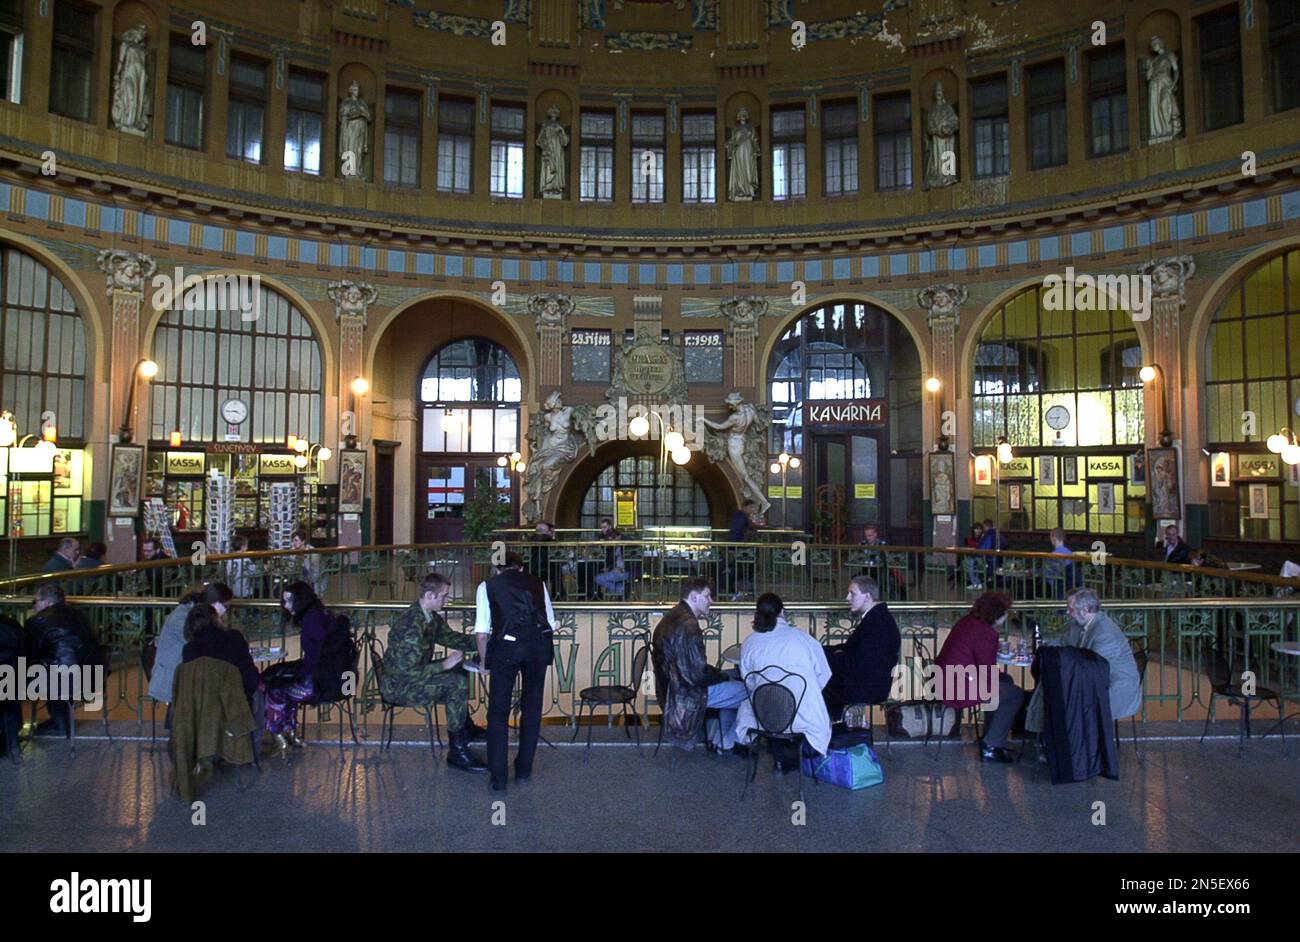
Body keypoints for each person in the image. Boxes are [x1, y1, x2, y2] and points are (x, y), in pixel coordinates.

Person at [385, 573, 486, 773]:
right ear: (430, 596)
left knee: (459, 668)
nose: (447, 601)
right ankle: (457, 751)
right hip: (400, 688)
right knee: (456, 683)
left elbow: (451, 638)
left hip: (412, 679)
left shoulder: (429, 618)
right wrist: (443, 666)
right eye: (444, 596)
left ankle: (465, 728)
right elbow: (406, 673)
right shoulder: (411, 627)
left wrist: (484, 641)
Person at [476, 553, 556, 792]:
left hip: (506, 649)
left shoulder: (488, 586)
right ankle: (523, 770)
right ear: (520, 568)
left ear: (496, 568)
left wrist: (483, 661)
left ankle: (498, 779)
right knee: (531, 708)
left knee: (498, 713)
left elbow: (482, 632)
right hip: (537, 649)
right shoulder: (538, 583)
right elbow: (550, 622)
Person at [1027, 588, 1143, 742]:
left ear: (1085, 610)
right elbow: (1063, 642)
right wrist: (1043, 648)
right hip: (1097, 682)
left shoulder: (1104, 633)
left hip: (1115, 688)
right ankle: (1056, 741)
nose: (1068, 612)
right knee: (1055, 691)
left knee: (1062, 697)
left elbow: (1096, 669)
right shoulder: (1079, 623)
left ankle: (1067, 744)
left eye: (1071, 608)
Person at [733, 593, 832, 772]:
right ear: (783, 612)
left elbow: (749, 680)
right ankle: (797, 754)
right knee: (805, 708)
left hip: (764, 717)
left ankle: (779, 759)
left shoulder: (750, 643)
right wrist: (805, 693)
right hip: (802, 717)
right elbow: (824, 675)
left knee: (769, 703)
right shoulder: (804, 640)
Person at [651, 577, 748, 755]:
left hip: (672, 690)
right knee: (749, 691)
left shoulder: (673, 617)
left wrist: (719, 674)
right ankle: (726, 741)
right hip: (688, 694)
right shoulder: (689, 626)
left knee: (733, 679)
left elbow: (690, 667)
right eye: (708, 596)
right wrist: (722, 676)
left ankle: (716, 735)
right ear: (694, 597)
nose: (711, 601)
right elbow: (697, 676)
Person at [933, 592, 1024, 763]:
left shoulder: (968, 622)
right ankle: (991, 746)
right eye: (1006, 613)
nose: (1007, 617)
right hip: (958, 686)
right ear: (996, 614)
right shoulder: (985, 633)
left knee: (1006, 681)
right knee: (1014, 694)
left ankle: (990, 736)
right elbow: (986, 668)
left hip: (945, 679)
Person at [821, 576, 901, 722]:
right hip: (867, 682)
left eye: (853, 593)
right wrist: (822, 652)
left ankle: (831, 732)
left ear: (867, 597)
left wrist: (835, 657)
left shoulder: (878, 624)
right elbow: (849, 649)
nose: (847, 598)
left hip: (868, 687)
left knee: (817, 686)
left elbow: (860, 665)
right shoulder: (876, 618)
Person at [263, 581, 331, 751]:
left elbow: (319, 653)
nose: (285, 606)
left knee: (273, 689)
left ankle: (279, 734)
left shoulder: (311, 622)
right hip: (324, 676)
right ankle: (290, 733)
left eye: (289, 601)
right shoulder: (320, 615)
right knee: (282, 682)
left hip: (315, 682)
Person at [24, 585, 97, 736]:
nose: (34, 605)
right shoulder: (80, 615)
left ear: (46, 602)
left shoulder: (39, 620)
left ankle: (59, 723)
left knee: (14, 675)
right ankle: (61, 719)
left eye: (35, 601)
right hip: (90, 677)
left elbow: (28, 651)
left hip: (61, 680)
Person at [149, 582, 236, 707]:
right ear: (216, 604)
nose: (226, 611)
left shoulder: (195, 613)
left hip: (186, 672)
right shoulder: (185, 616)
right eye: (225, 607)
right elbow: (205, 644)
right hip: (172, 678)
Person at [181, 600, 260, 708]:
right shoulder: (234, 638)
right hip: (237, 706)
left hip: (204, 710)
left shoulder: (189, 650)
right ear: (215, 619)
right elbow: (251, 678)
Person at [593, 517, 628, 599]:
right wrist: (610, 567)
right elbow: (612, 558)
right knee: (597, 574)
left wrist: (621, 568)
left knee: (598, 578)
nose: (603, 530)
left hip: (625, 571)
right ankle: (620, 590)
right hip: (617, 569)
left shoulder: (621, 540)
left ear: (610, 527)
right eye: (601, 528)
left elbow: (629, 560)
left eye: (604, 527)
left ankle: (620, 590)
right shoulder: (608, 540)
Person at [1045, 527, 1081, 596]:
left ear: (1053, 538)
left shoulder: (1053, 555)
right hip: (1073, 586)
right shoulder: (1070, 553)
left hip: (1059, 587)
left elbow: (1048, 572)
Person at [291, 528, 326, 598]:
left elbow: (316, 574)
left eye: (296, 540)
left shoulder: (313, 554)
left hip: (316, 583)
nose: (294, 543)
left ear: (303, 541)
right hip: (303, 581)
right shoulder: (294, 553)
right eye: (293, 541)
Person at [225, 534, 259, 599]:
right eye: (246, 546)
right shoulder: (245, 560)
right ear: (242, 547)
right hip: (244, 592)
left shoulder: (229, 559)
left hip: (231, 592)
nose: (247, 548)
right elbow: (255, 572)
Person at [977, 517, 1005, 584]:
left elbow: (983, 548)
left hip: (989, 559)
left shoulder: (988, 535)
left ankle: (981, 582)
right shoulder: (998, 534)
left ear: (985, 526)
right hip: (999, 558)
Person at [964, 523, 986, 589]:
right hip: (971, 555)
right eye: (976, 529)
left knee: (971, 562)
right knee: (969, 562)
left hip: (982, 557)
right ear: (973, 530)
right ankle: (976, 583)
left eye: (980, 529)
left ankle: (977, 583)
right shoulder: (969, 538)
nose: (978, 531)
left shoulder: (984, 538)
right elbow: (970, 546)